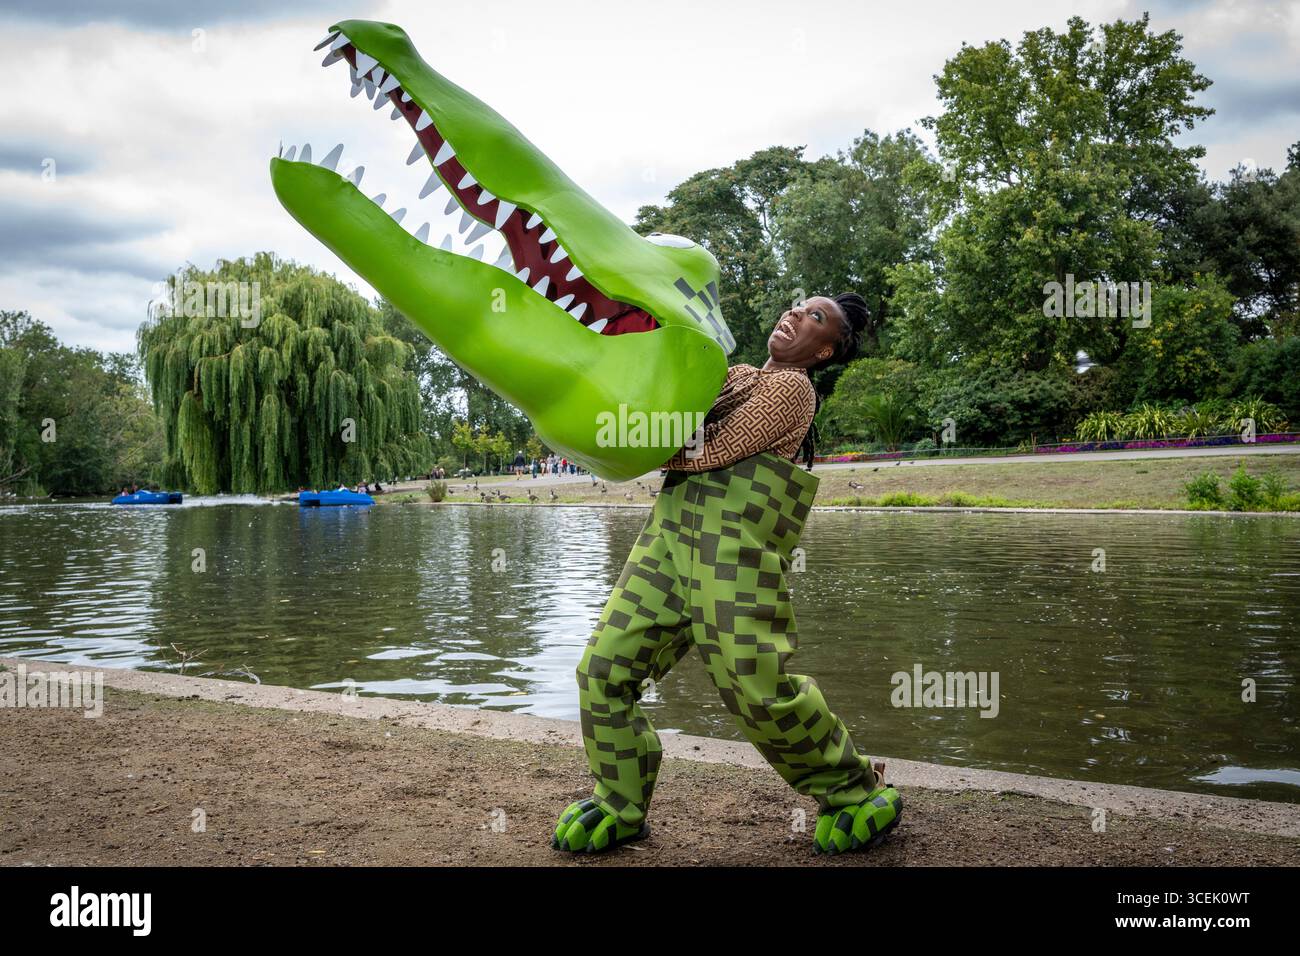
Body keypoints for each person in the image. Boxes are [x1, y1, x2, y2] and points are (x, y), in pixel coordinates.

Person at [553, 293, 901, 857]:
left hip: (732, 554)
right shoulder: (737, 374)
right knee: (603, 671)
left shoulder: (793, 390)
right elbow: (674, 405)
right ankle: (620, 802)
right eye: (796, 306)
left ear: (825, 350)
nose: (794, 315)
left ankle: (856, 790)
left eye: (815, 318)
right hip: (668, 541)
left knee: (756, 688)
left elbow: (713, 448)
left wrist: (623, 444)